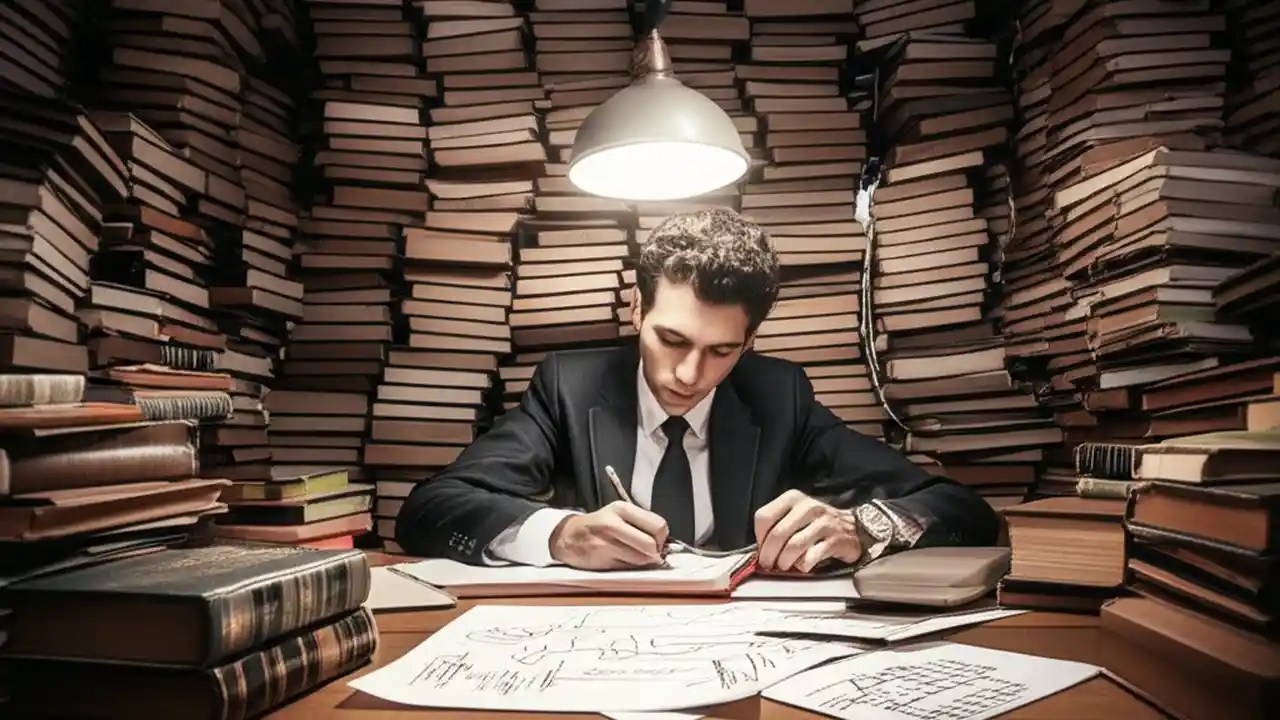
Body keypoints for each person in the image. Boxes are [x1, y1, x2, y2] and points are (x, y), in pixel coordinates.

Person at [395, 208, 999, 572]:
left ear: (751, 339)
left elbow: (963, 510)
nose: (689, 374)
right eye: (671, 338)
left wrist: (862, 528)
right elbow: (429, 508)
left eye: (721, 351)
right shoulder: (569, 387)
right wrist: (559, 534)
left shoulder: (780, 395)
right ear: (635, 308)